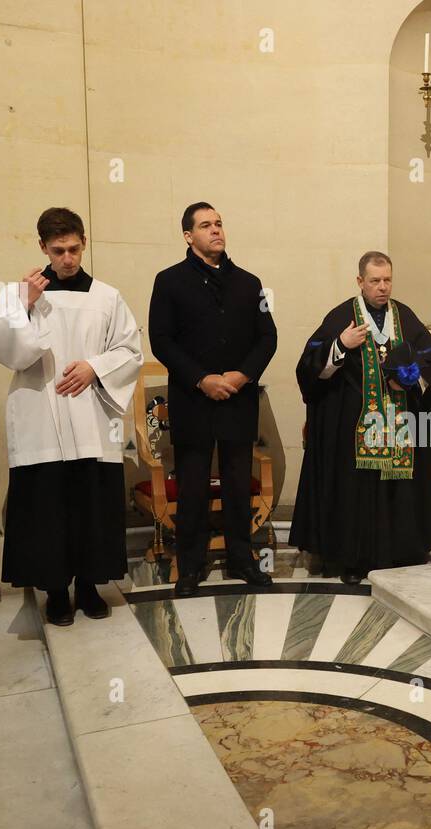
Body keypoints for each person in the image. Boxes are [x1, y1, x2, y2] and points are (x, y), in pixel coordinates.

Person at [0, 208, 143, 625]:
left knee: (90, 507)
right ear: (42, 248)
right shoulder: (20, 295)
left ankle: (89, 587)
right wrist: (24, 307)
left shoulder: (107, 296)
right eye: (58, 251)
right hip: (41, 421)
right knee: (47, 511)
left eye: (74, 249)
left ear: (84, 243)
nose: (68, 259)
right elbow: (1, 348)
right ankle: (55, 592)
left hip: (90, 420)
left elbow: (129, 351)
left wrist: (94, 367)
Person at [290, 252, 431, 584]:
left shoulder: (404, 317)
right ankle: (352, 560)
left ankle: (400, 553)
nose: (383, 287)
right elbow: (308, 367)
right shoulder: (341, 316)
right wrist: (341, 345)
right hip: (353, 425)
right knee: (355, 494)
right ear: (360, 281)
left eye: (387, 280)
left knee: (396, 492)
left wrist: (405, 376)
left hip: (400, 426)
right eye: (375, 281)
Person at [148, 202, 277, 595]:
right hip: (193, 399)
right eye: (206, 225)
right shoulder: (168, 281)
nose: (216, 230)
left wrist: (240, 376)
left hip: (238, 399)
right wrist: (202, 379)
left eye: (219, 223)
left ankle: (243, 560)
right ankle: (190, 566)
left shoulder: (252, 283)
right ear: (189, 236)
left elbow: (267, 337)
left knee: (239, 483)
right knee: (192, 486)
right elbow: (162, 340)